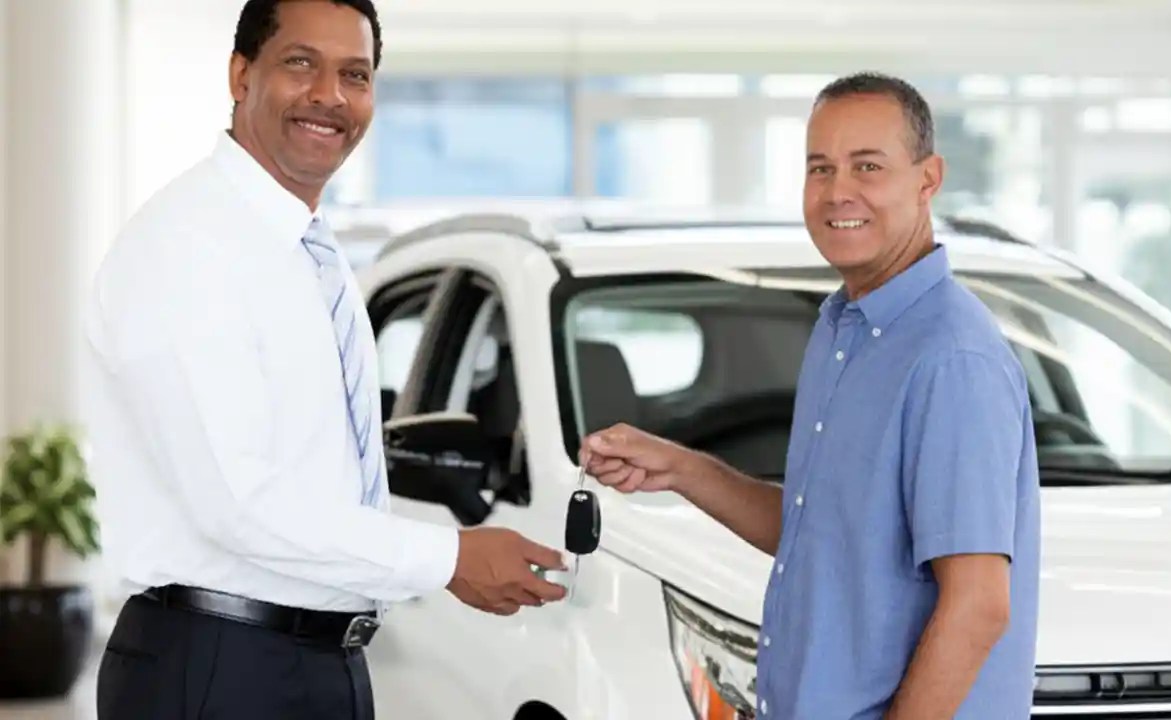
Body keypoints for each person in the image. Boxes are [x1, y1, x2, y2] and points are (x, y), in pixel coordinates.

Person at [83, 1, 567, 718]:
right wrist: (450, 557)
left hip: (314, 658)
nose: (330, 97)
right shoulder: (187, 246)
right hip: (220, 667)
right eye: (301, 64)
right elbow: (238, 502)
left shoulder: (312, 253)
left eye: (356, 74)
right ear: (240, 74)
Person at [580, 72, 1041, 719]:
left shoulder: (951, 357)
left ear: (927, 179)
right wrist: (681, 468)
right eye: (819, 168)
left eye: (867, 166)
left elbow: (979, 603)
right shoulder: (844, 330)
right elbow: (816, 529)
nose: (837, 192)